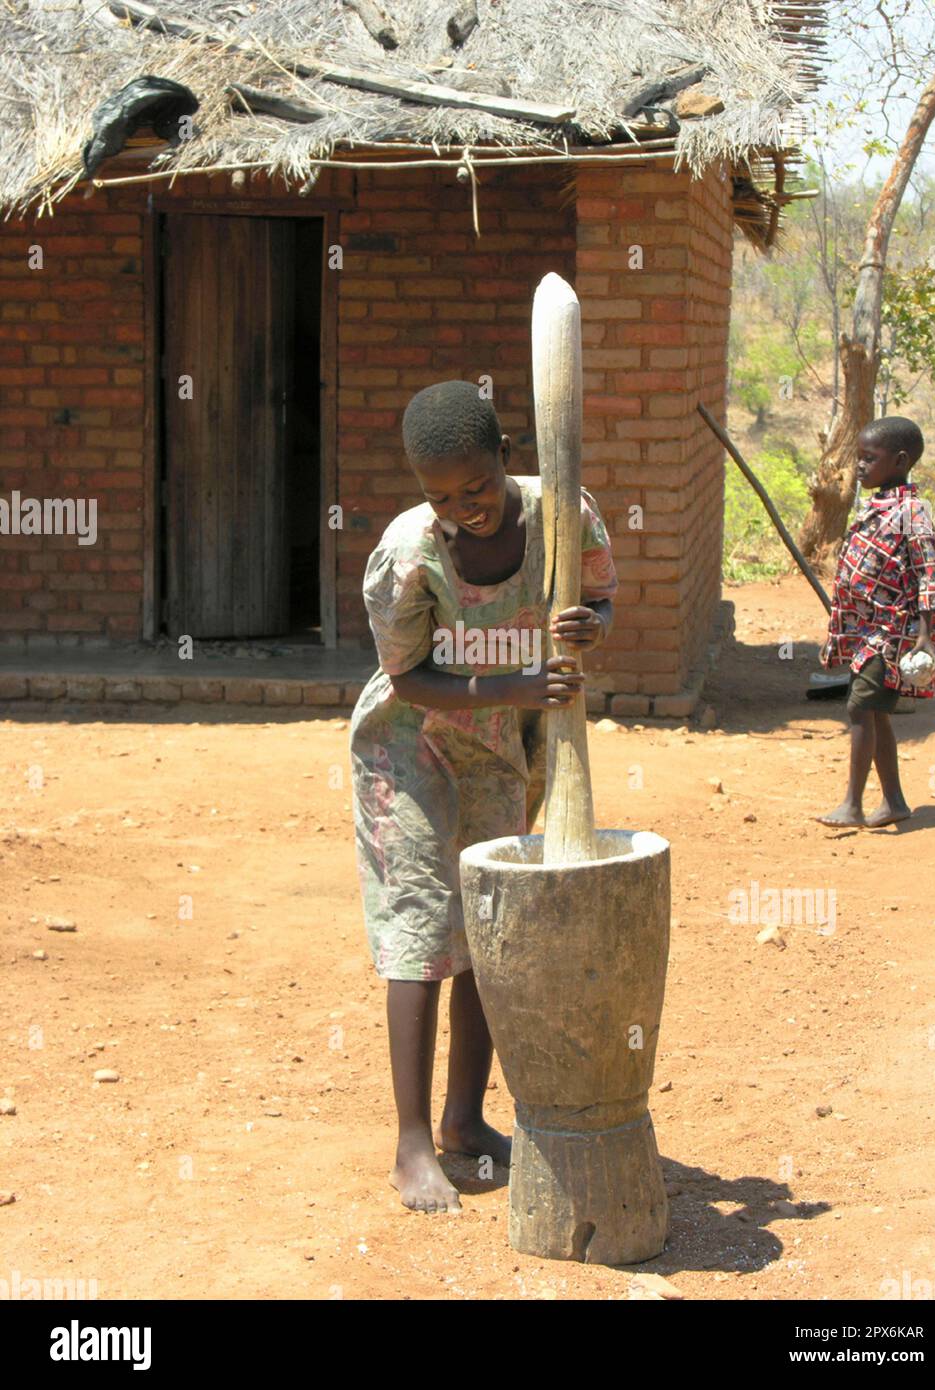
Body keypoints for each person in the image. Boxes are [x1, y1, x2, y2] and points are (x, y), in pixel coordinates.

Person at [349, 380, 618, 1212]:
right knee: (422, 922)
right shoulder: (409, 553)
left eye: (477, 487)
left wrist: (593, 626)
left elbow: (601, 598)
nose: (464, 509)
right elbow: (407, 677)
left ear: (506, 456)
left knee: (485, 924)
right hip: (410, 745)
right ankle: (411, 1145)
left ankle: (464, 1120)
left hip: (500, 748)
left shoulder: (564, 516)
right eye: (441, 497)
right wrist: (515, 685)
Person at [817, 415, 935, 829]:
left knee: (859, 708)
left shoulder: (912, 513)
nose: (860, 465)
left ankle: (852, 804)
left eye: (870, 458)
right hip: (868, 629)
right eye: (859, 457)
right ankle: (894, 802)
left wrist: (925, 636)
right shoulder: (880, 505)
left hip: (892, 633)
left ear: (900, 461)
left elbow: (928, 574)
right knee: (876, 712)